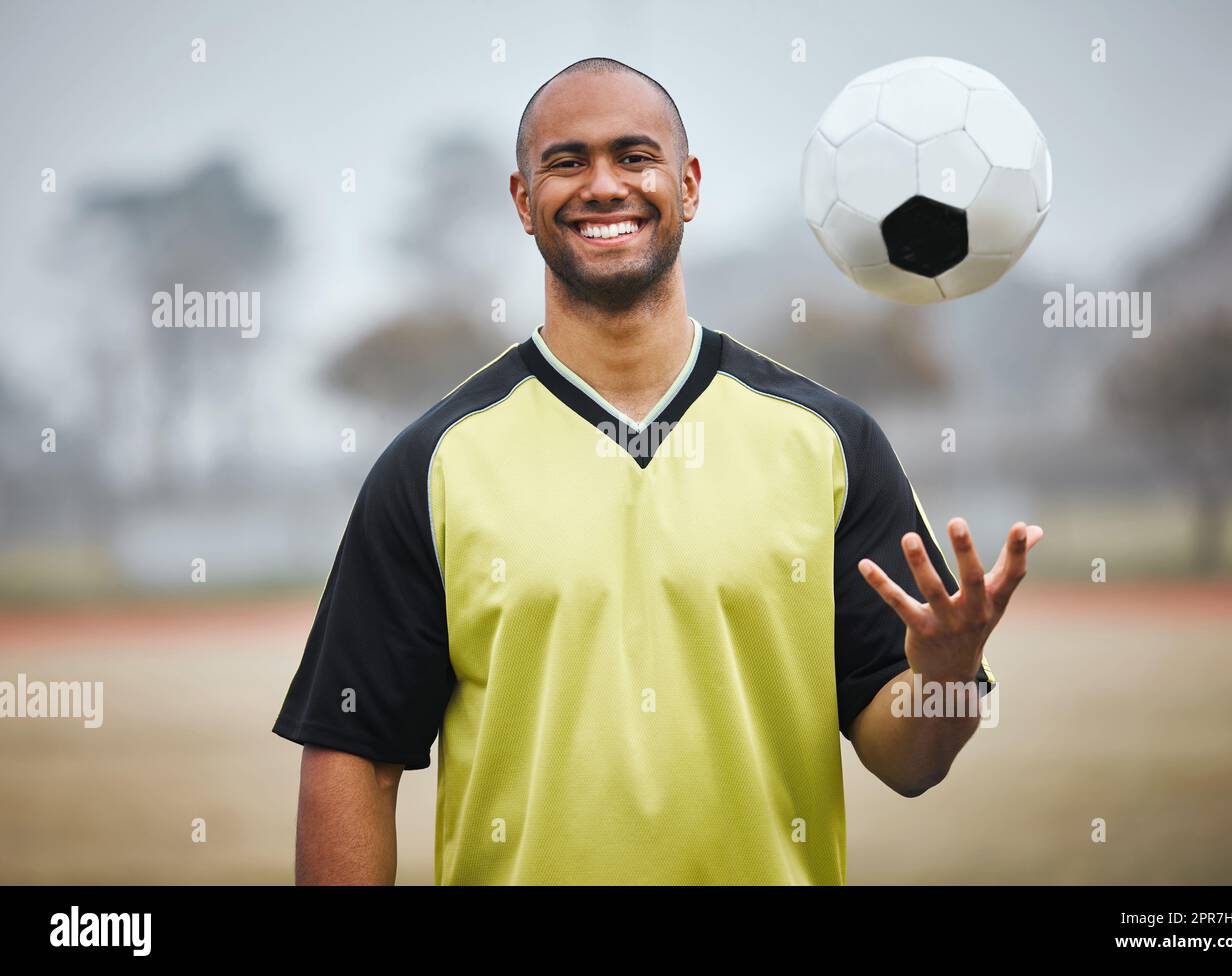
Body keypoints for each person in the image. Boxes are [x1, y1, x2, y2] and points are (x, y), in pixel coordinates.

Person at [273, 56, 1043, 885]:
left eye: (635, 157)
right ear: (523, 201)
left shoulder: (829, 442)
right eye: (566, 161)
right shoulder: (431, 465)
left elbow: (911, 762)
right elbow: (355, 759)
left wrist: (949, 672)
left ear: (691, 184)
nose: (604, 186)